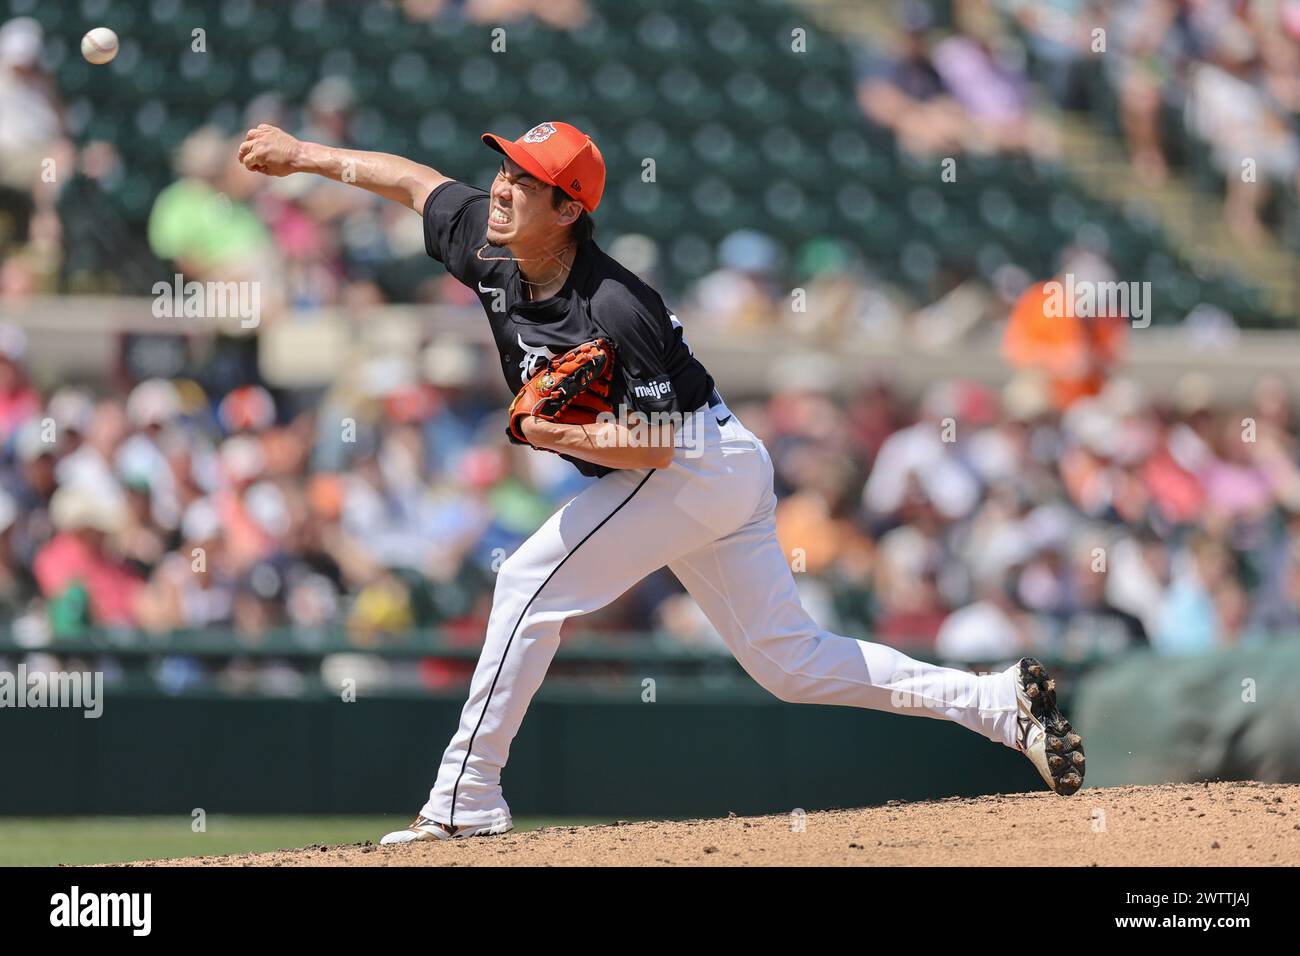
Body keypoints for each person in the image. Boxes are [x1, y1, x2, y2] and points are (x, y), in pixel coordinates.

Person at [237, 119, 1086, 841]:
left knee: (529, 582)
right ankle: (995, 704)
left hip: (693, 461)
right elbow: (414, 181)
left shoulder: (613, 306)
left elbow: (650, 448)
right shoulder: (490, 245)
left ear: (569, 208)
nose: (499, 189)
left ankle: (465, 801)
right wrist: (301, 153)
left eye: (524, 182)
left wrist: (552, 428)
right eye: (504, 170)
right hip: (713, 463)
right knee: (789, 664)